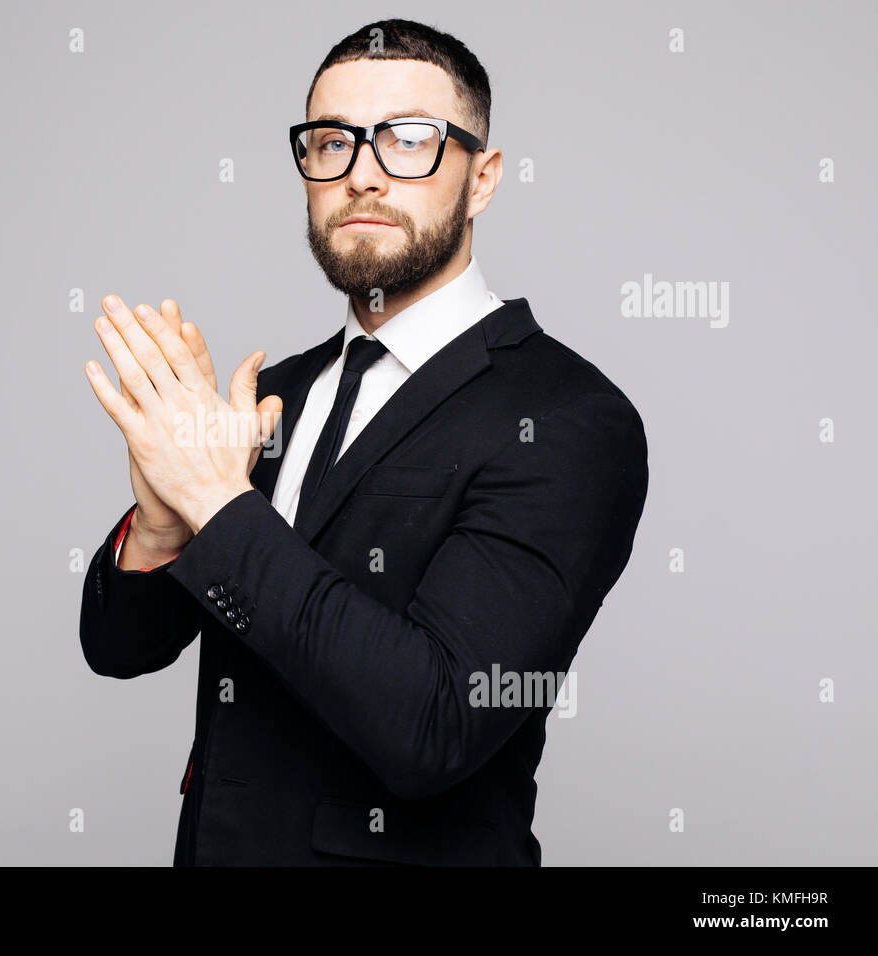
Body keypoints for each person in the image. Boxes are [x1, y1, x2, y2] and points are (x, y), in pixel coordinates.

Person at [78, 18, 648, 866]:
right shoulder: (273, 397)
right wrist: (163, 527)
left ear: (482, 178)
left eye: (410, 140)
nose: (364, 174)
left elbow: (434, 725)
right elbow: (120, 650)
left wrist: (218, 503)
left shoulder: (570, 419)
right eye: (332, 142)